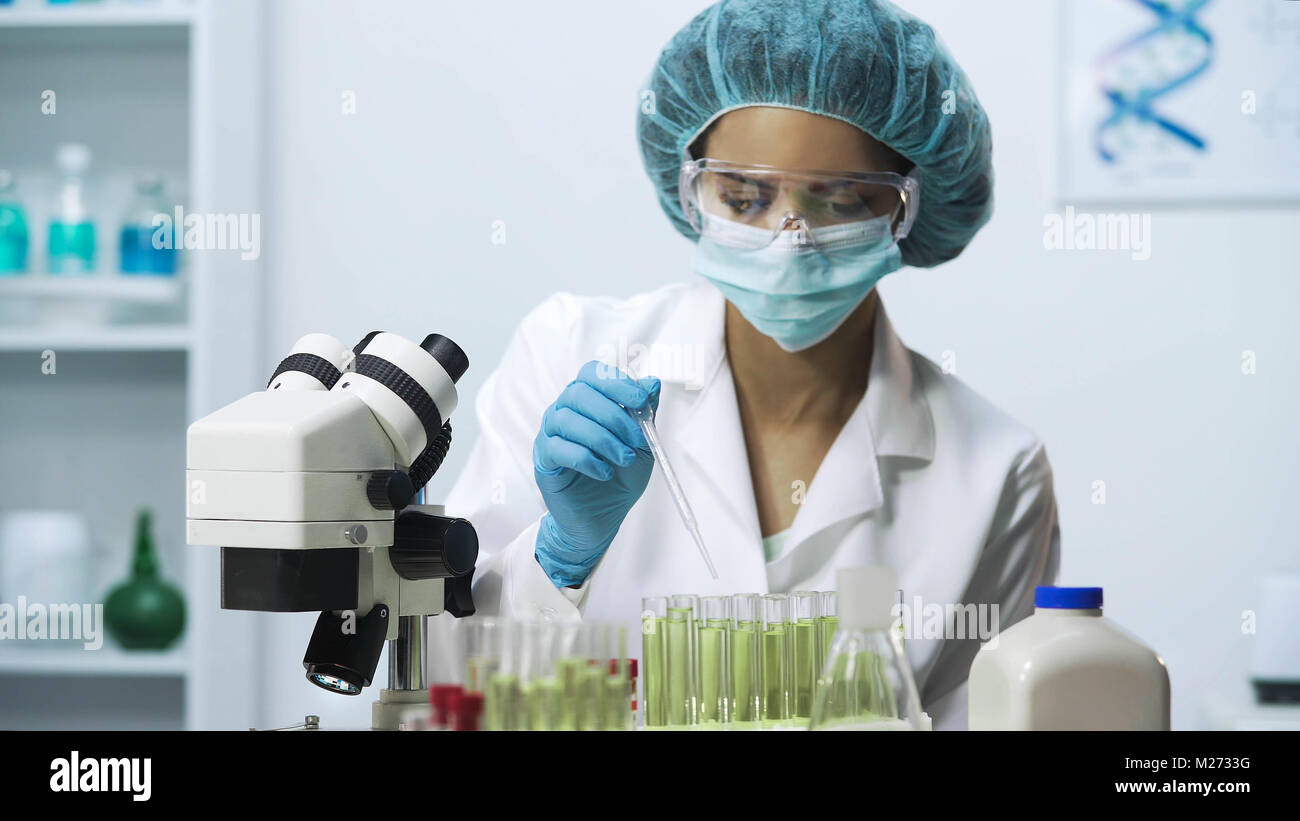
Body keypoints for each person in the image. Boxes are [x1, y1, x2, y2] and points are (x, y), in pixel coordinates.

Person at [434, 0, 1059, 730]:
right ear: (691, 190)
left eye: (844, 200)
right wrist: (560, 558)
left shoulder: (997, 470)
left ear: (908, 210)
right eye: (743, 196)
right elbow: (452, 695)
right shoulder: (571, 351)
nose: (788, 238)